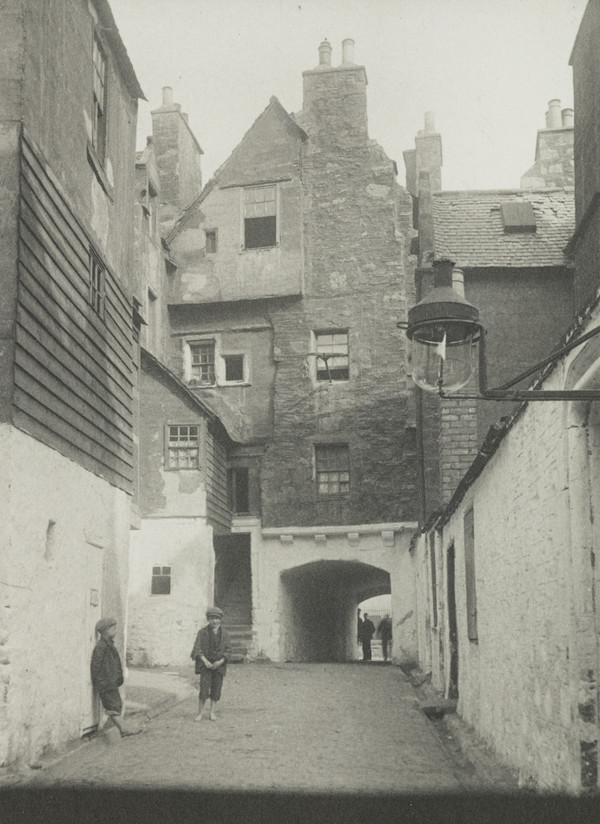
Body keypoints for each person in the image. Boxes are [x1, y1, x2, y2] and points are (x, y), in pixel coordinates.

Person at [91, 617, 140, 738]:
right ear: (106, 631)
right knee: (113, 706)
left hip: (111, 682)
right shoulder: (101, 647)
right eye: (113, 629)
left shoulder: (108, 645)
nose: (116, 631)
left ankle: (122, 728)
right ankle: (123, 729)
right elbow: (95, 666)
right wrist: (99, 682)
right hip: (106, 683)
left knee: (116, 705)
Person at [191, 606, 231, 722]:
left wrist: (221, 661)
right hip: (206, 666)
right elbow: (197, 649)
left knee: (216, 689)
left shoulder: (225, 635)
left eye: (217, 618)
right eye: (212, 618)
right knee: (204, 689)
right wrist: (205, 661)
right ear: (208, 619)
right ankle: (200, 713)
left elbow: (229, 651)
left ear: (221, 619)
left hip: (219, 666)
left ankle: (212, 712)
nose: (214, 621)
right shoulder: (202, 633)